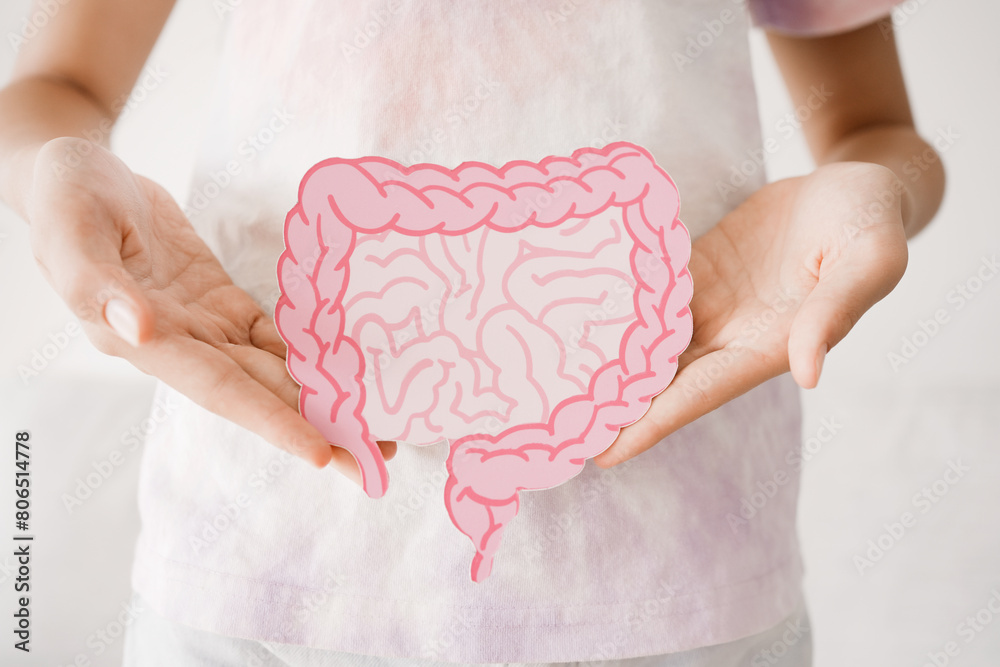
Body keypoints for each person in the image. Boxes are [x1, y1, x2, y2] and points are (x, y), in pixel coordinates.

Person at [0, 0, 944, 665]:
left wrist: (875, 192)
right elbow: (57, 85)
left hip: (680, 576)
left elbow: (873, 129)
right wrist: (55, 175)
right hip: (261, 556)